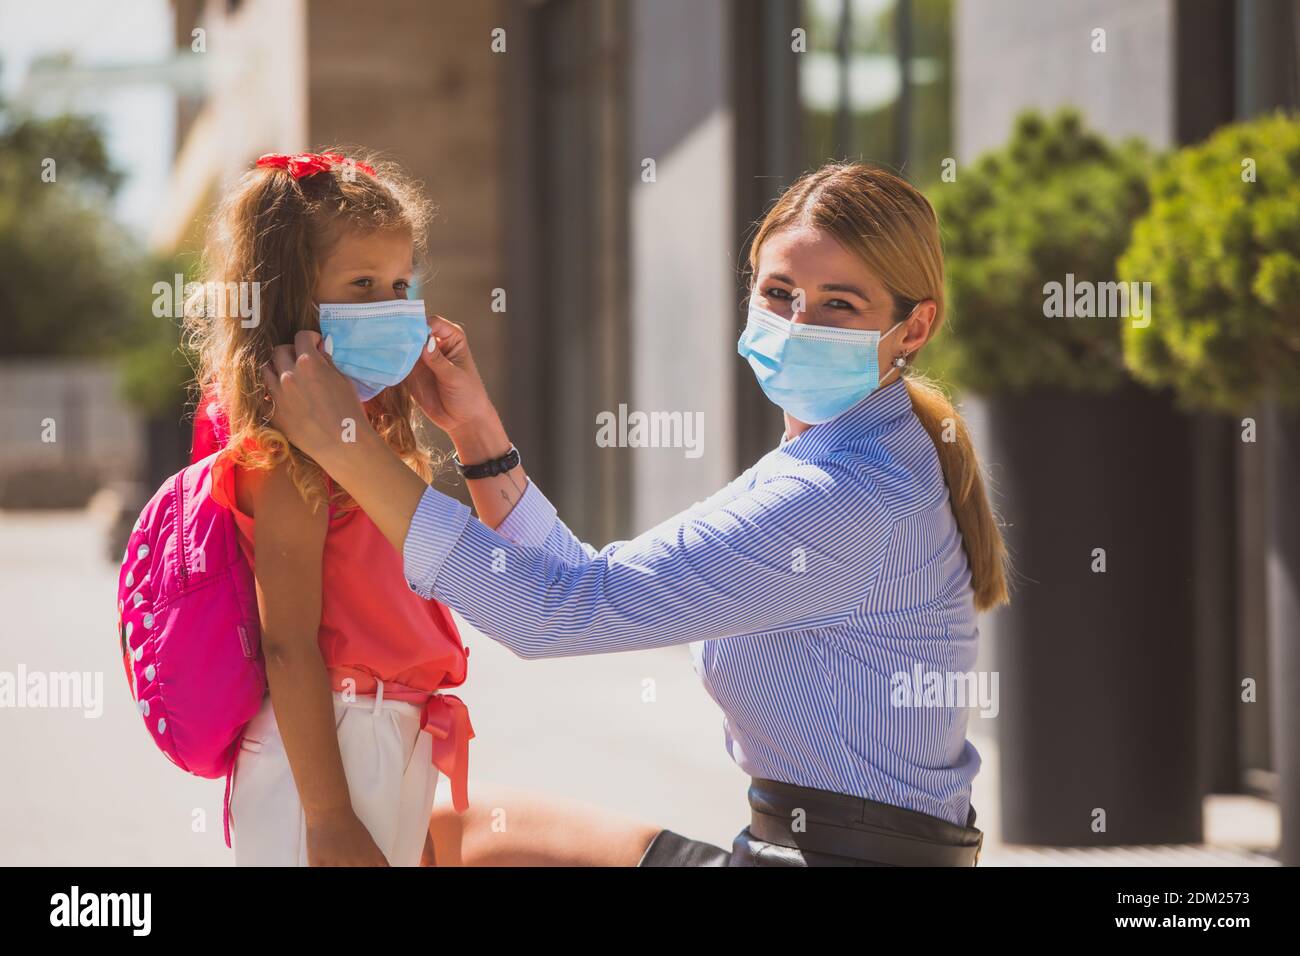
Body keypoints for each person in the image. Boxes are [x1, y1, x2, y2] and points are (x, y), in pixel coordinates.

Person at [263, 163, 1010, 866]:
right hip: (796, 849)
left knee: (437, 837)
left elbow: (557, 614)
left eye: (838, 304)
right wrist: (478, 435)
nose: (798, 321)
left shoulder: (848, 497)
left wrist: (351, 451)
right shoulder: (841, 452)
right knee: (449, 830)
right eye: (780, 292)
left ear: (913, 329)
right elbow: (588, 582)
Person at [187, 149, 472, 867]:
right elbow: (287, 642)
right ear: (296, 297)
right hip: (335, 746)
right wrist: (330, 817)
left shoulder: (360, 427)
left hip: (379, 735)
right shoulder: (285, 446)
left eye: (402, 283)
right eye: (364, 284)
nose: (393, 304)